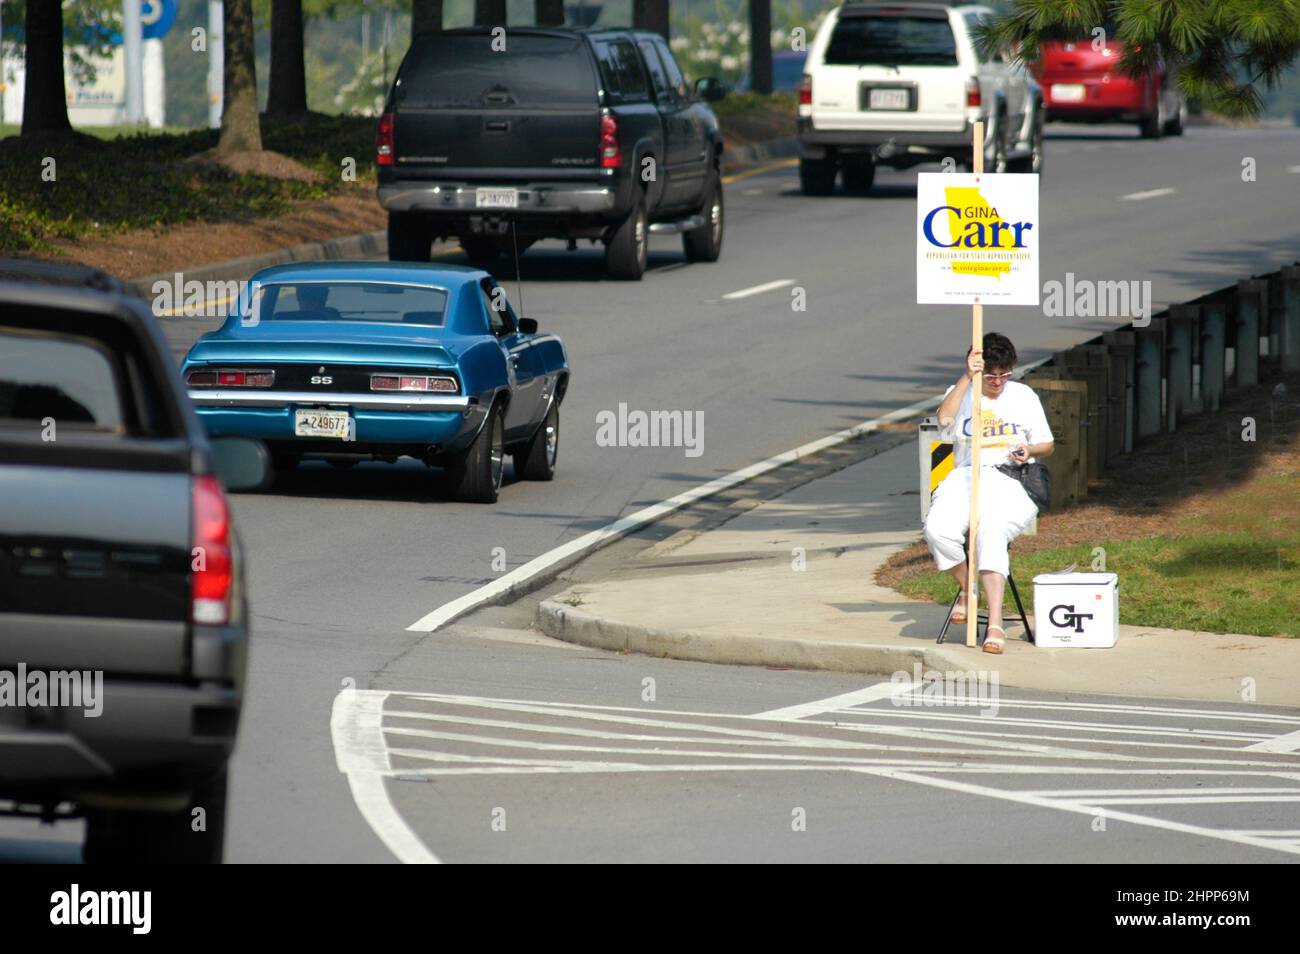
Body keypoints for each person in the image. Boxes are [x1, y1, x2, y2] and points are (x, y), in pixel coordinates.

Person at [923, 332, 1054, 654]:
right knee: (937, 530)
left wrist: (1028, 449)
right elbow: (944, 421)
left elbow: (1047, 445)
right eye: (991, 375)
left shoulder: (1023, 396)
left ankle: (994, 623)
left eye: (1004, 374)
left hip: (1011, 476)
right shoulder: (962, 392)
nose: (998, 382)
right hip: (966, 476)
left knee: (991, 531)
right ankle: (969, 590)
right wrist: (967, 378)